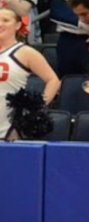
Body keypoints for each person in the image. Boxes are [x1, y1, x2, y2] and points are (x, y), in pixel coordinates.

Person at [0, 8, 59, 140]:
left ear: (17, 25)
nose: (0, 24)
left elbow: (53, 80)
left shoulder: (25, 52)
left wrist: (37, 107)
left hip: (8, 124)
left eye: (5, 20)